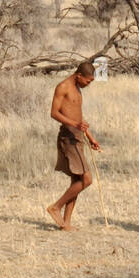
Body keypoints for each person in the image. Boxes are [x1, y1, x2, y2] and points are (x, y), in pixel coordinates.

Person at [47, 59, 101, 230]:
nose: (89, 84)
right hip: (68, 138)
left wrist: (90, 136)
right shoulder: (63, 87)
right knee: (87, 179)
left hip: (77, 136)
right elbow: (54, 113)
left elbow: (78, 117)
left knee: (76, 180)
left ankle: (66, 223)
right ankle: (55, 207)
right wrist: (74, 125)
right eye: (88, 81)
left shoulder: (77, 87)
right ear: (79, 76)